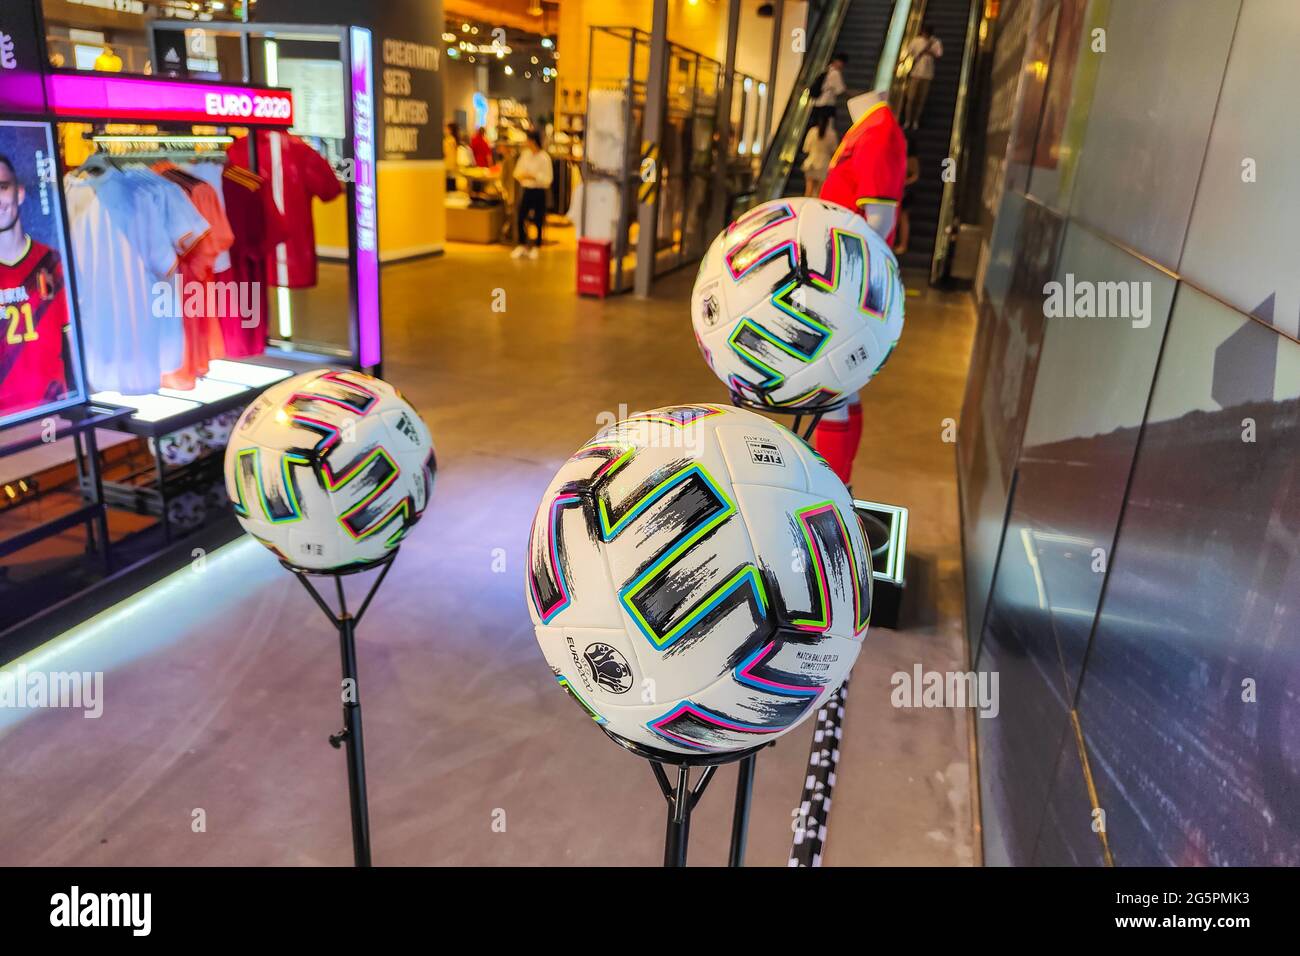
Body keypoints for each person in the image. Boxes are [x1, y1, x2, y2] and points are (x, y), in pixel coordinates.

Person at [813, 91, 907, 487]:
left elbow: (880, 219)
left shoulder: (879, 130)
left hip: (846, 280)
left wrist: (850, 286)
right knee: (843, 386)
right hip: (842, 276)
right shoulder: (865, 128)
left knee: (831, 386)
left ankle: (829, 489)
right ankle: (839, 485)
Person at [0, 154, 70, 417]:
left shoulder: (52, 262)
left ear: (18, 193)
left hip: (54, 411)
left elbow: (72, 340)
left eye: (2, 187)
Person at [512, 130, 553, 260]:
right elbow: (517, 172)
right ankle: (522, 244)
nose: (525, 143)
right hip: (527, 189)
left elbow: (548, 179)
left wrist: (534, 176)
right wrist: (523, 176)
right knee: (521, 216)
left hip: (539, 191)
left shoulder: (544, 157)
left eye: (527, 140)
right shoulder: (525, 155)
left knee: (538, 219)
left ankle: (537, 245)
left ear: (533, 141)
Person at [902, 26, 943, 130]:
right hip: (915, 74)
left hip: (927, 75)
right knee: (911, 98)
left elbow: (939, 54)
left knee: (921, 100)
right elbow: (909, 51)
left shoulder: (935, 42)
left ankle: (915, 121)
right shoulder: (916, 41)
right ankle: (907, 120)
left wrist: (929, 51)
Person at [801, 112, 838, 197]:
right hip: (825, 164)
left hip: (811, 163)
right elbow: (834, 151)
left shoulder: (812, 131)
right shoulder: (832, 134)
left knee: (808, 191)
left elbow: (806, 148)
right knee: (819, 193)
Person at [810, 53, 848, 128]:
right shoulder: (835, 73)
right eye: (842, 64)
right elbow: (840, 91)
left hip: (816, 104)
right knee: (826, 130)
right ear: (838, 61)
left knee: (815, 130)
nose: (842, 66)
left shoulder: (826, 70)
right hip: (826, 106)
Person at [894, 149, 921, 255]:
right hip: (898, 191)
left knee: (903, 218)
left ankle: (903, 245)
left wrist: (904, 183)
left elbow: (915, 175)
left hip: (906, 191)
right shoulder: (897, 155)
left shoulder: (912, 159)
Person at [443, 122, 461, 190]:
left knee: (448, 188)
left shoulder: (448, 140)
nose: (444, 130)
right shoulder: (453, 139)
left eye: (446, 129)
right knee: (452, 186)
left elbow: (445, 153)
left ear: (450, 130)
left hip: (447, 166)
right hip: (452, 166)